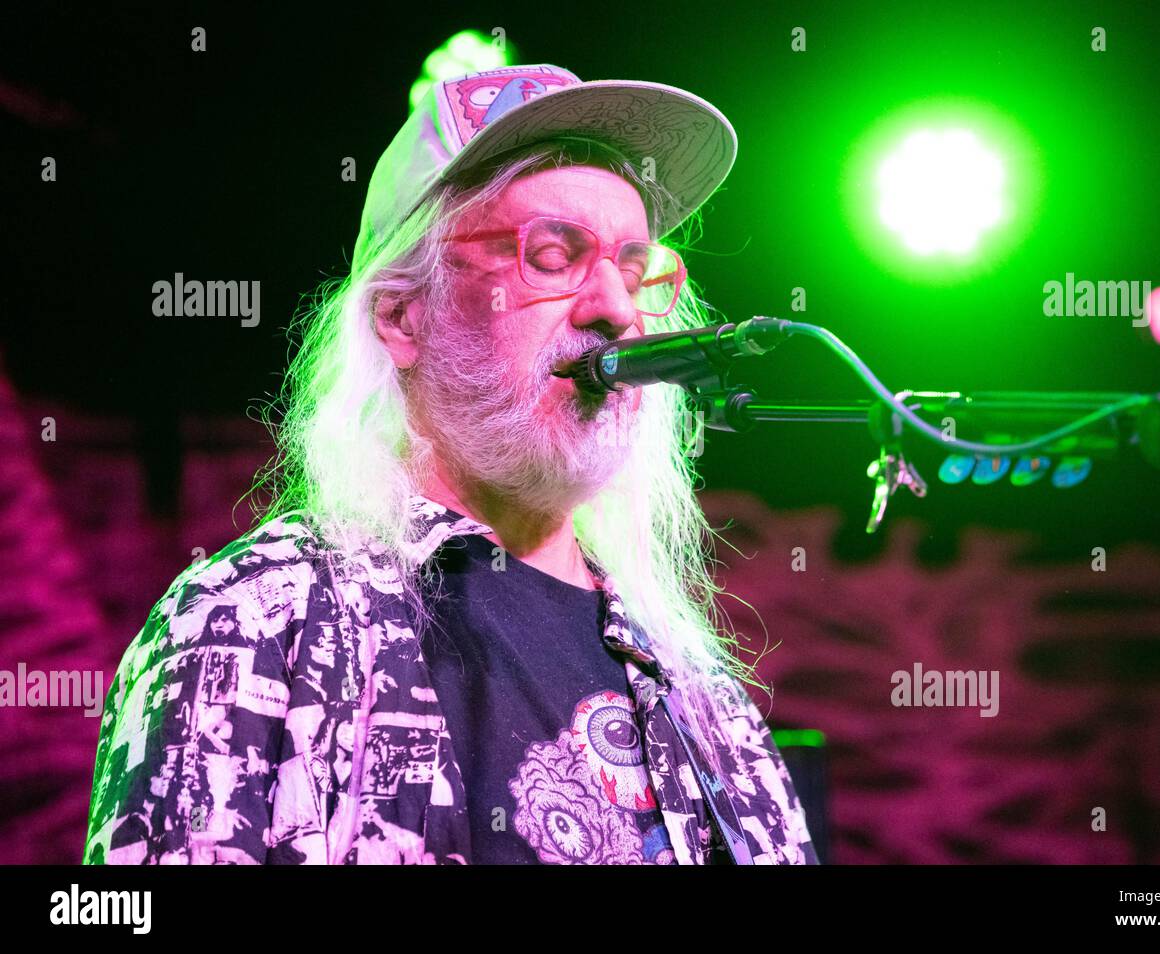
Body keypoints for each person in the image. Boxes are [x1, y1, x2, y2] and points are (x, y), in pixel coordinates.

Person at [83, 63, 817, 865]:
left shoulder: (699, 697)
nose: (615, 308)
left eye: (634, 269)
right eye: (551, 253)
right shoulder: (251, 621)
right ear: (402, 317)